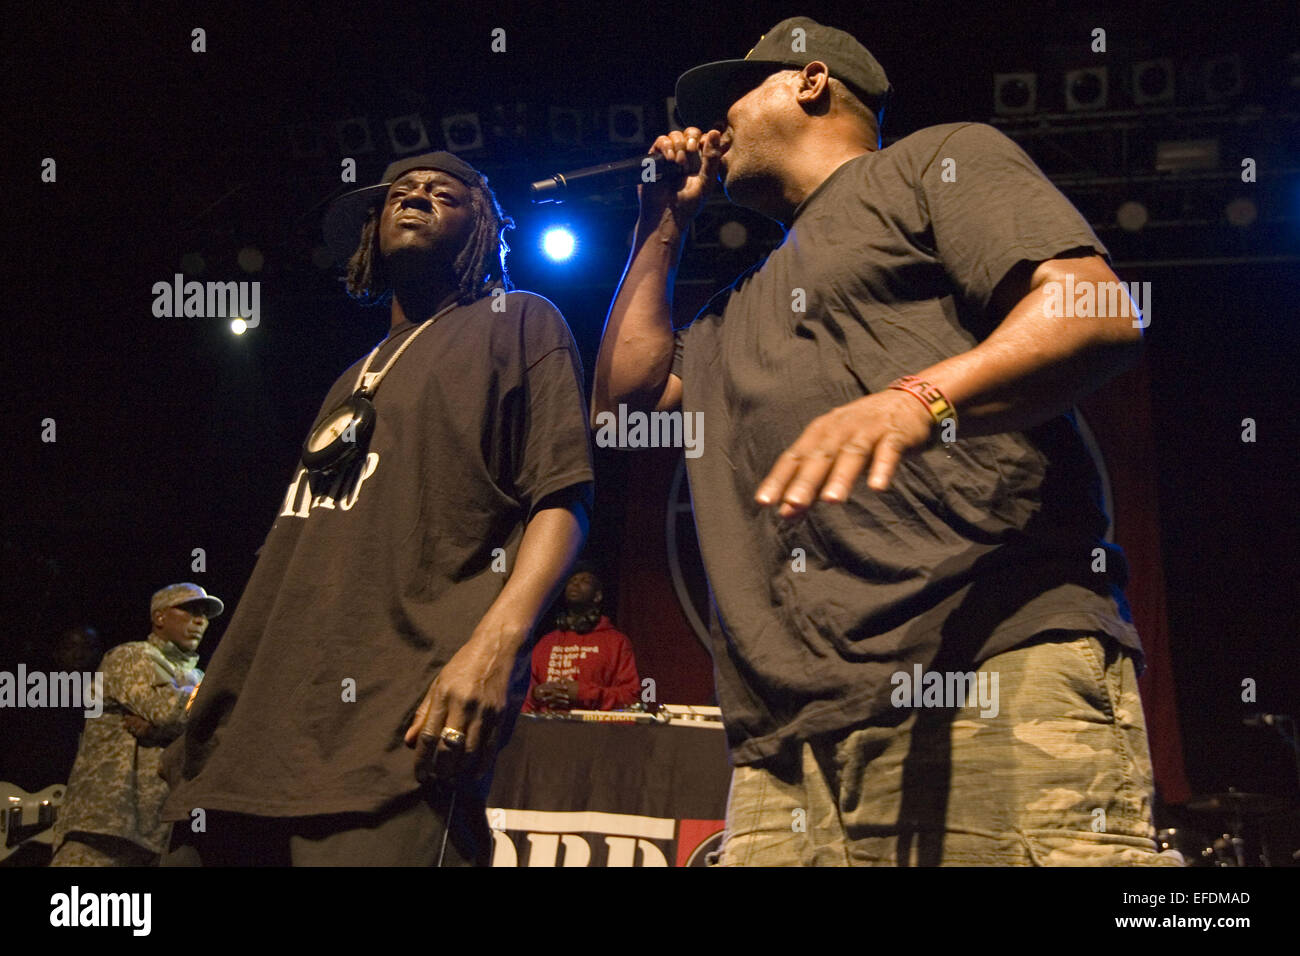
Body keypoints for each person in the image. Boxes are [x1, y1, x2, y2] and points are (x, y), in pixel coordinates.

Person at [594, 16, 1175, 866]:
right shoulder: (732, 312)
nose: (714, 127)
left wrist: (918, 402)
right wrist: (659, 227)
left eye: (735, 96)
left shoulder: (933, 162)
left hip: (989, 667)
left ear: (809, 81)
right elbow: (621, 405)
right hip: (786, 744)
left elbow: (1095, 307)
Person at [160, 152, 593, 867]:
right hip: (250, 749)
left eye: (445, 194)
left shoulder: (520, 324)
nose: (418, 194)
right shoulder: (347, 375)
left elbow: (564, 496)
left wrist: (495, 647)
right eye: (402, 190)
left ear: (484, 225)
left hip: (394, 736)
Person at [49, 585, 216, 866]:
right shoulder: (133, 656)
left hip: (159, 830)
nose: (200, 620)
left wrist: (156, 729)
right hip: (105, 826)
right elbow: (170, 711)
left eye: (204, 614)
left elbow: (216, 730)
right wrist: (203, 703)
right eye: (189, 610)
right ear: (160, 618)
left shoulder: (198, 676)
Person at [522, 567, 640, 713]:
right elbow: (521, 697)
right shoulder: (546, 642)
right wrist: (535, 694)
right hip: (545, 730)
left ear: (597, 596)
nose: (575, 584)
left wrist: (583, 693)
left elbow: (630, 698)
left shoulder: (616, 642)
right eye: (572, 581)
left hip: (594, 732)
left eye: (584, 580)